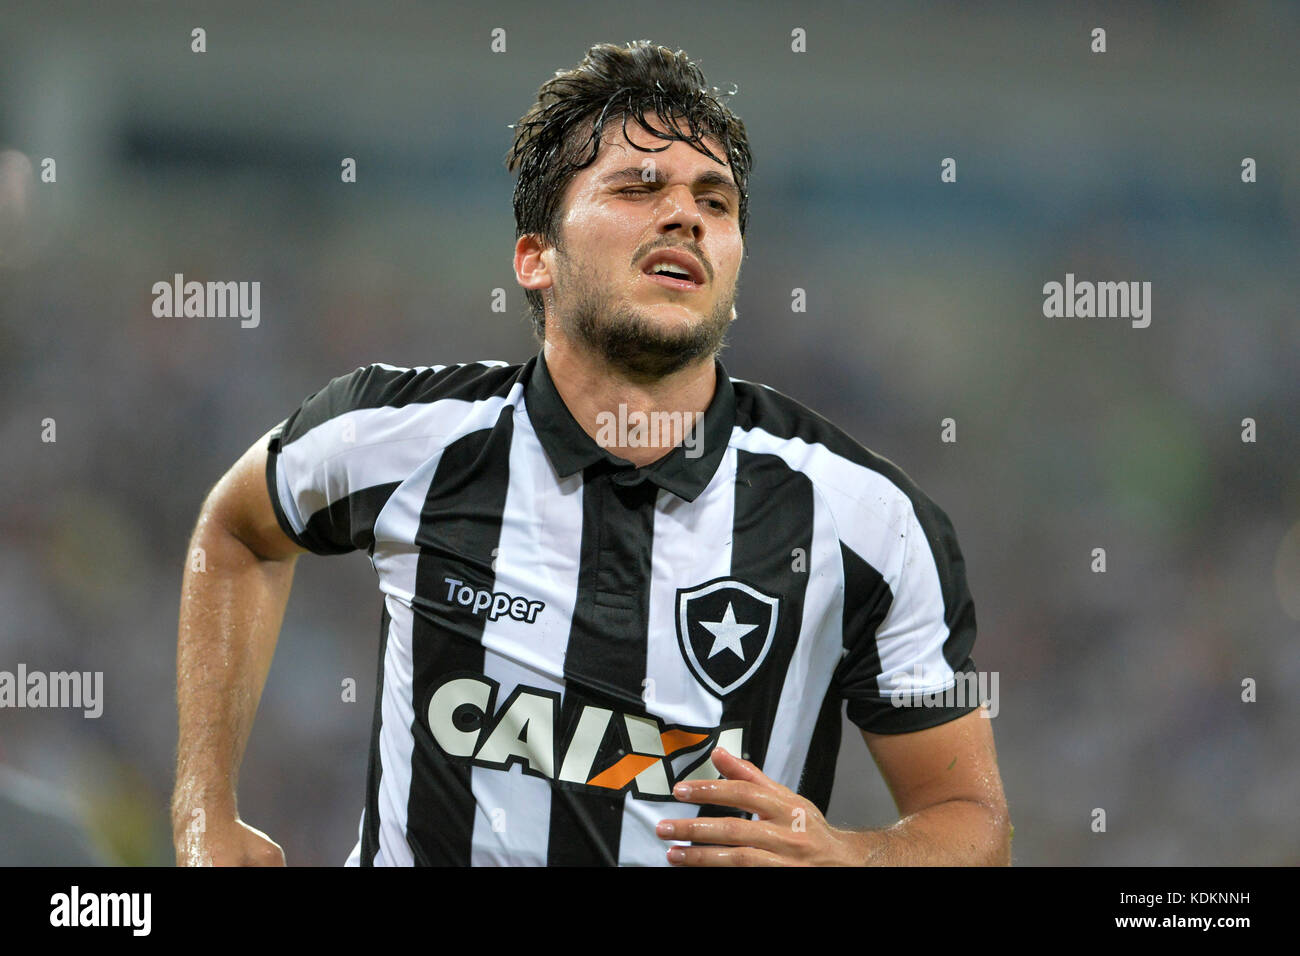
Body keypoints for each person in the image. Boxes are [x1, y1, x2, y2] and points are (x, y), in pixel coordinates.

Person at [172, 40, 1011, 867]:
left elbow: (971, 822)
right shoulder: (393, 437)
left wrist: (848, 858)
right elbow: (237, 532)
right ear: (537, 258)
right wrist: (204, 810)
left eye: (715, 203)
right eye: (638, 186)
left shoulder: (865, 520)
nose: (686, 213)